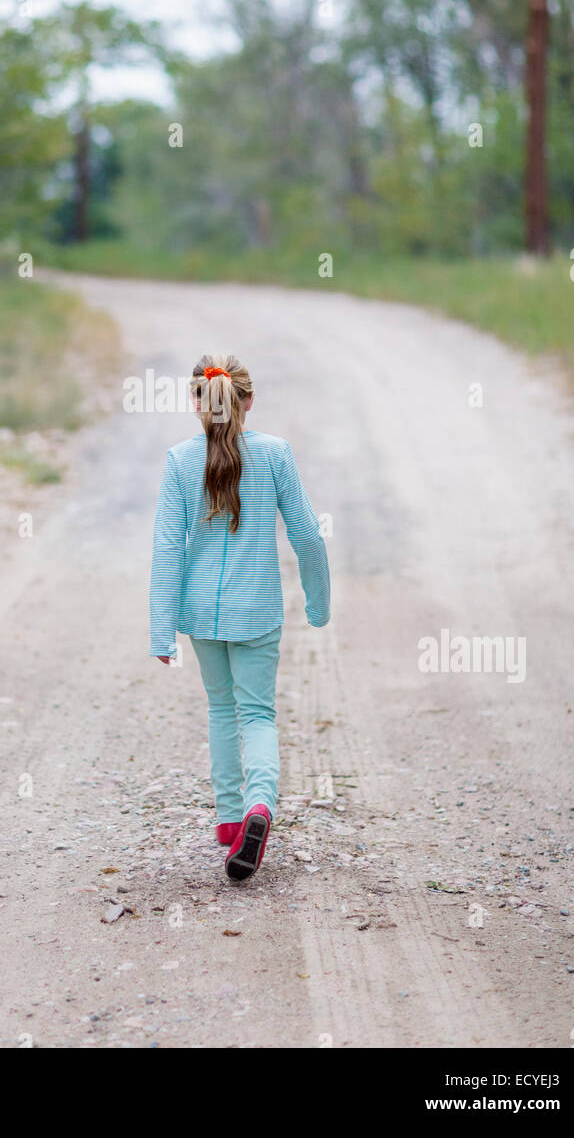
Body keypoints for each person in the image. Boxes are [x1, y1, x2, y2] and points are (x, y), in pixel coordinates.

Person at [149, 352, 331, 880]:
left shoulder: (180, 460)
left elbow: (166, 548)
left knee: (222, 711)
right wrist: (319, 604)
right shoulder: (274, 455)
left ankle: (231, 823)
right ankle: (261, 806)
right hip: (257, 611)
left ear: (196, 402)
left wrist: (161, 629)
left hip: (202, 612)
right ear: (248, 401)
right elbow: (307, 536)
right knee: (257, 714)